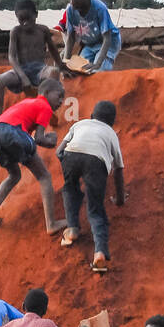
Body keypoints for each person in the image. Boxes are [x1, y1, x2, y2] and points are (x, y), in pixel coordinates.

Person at [0, 79, 67, 233]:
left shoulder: (28, 102)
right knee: (44, 177)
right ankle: (51, 224)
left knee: (14, 175)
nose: (61, 101)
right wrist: (52, 141)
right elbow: (39, 138)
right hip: (12, 132)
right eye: (59, 96)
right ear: (46, 93)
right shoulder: (45, 106)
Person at [57, 100, 126, 273]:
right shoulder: (111, 133)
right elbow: (118, 170)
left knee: (70, 189)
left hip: (71, 154)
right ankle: (100, 252)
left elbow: (59, 151)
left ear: (92, 115)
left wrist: (68, 168)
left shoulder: (80, 124)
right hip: (96, 162)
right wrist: (119, 198)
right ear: (112, 121)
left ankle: (72, 229)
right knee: (95, 209)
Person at [0, 0, 66, 117]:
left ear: (36, 15)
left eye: (28, 18)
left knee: (54, 71)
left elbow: (52, 49)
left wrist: (61, 64)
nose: (25, 23)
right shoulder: (16, 31)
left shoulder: (43, 30)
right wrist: (23, 76)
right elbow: (11, 57)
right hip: (21, 70)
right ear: (17, 18)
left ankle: (50, 110)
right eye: (21, 20)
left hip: (39, 69)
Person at [61, 0, 121, 73]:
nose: (72, 2)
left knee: (98, 71)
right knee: (80, 69)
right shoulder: (70, 11)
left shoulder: (99, 8)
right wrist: (66, 63)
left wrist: (98, 64)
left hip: (109, 43)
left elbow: (107, 37)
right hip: (90, 45)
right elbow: (70, 38)